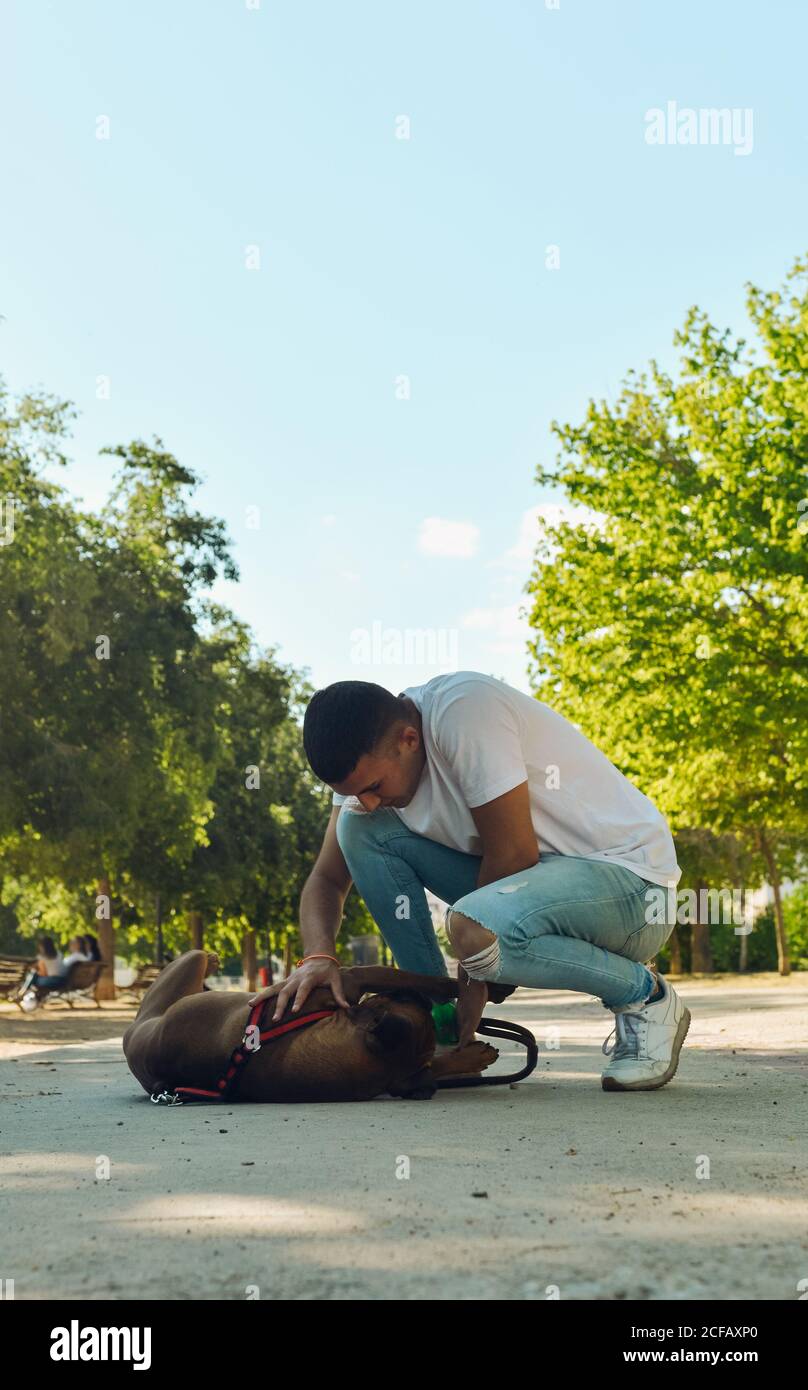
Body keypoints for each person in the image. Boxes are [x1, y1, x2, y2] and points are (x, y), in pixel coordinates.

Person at [249, 671, 690, 1092]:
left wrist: (473, 979)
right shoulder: (369, 776)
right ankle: (434, 1023)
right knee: (358, 828)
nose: (368, 799)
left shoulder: (464, 709)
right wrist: (317, 958)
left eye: (375, 786)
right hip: (537, 885)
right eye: (355, 790)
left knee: (472, 931)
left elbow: (514, 853)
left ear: (409, 739)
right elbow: (327, 879)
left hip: (632, 892)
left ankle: (645, 997)